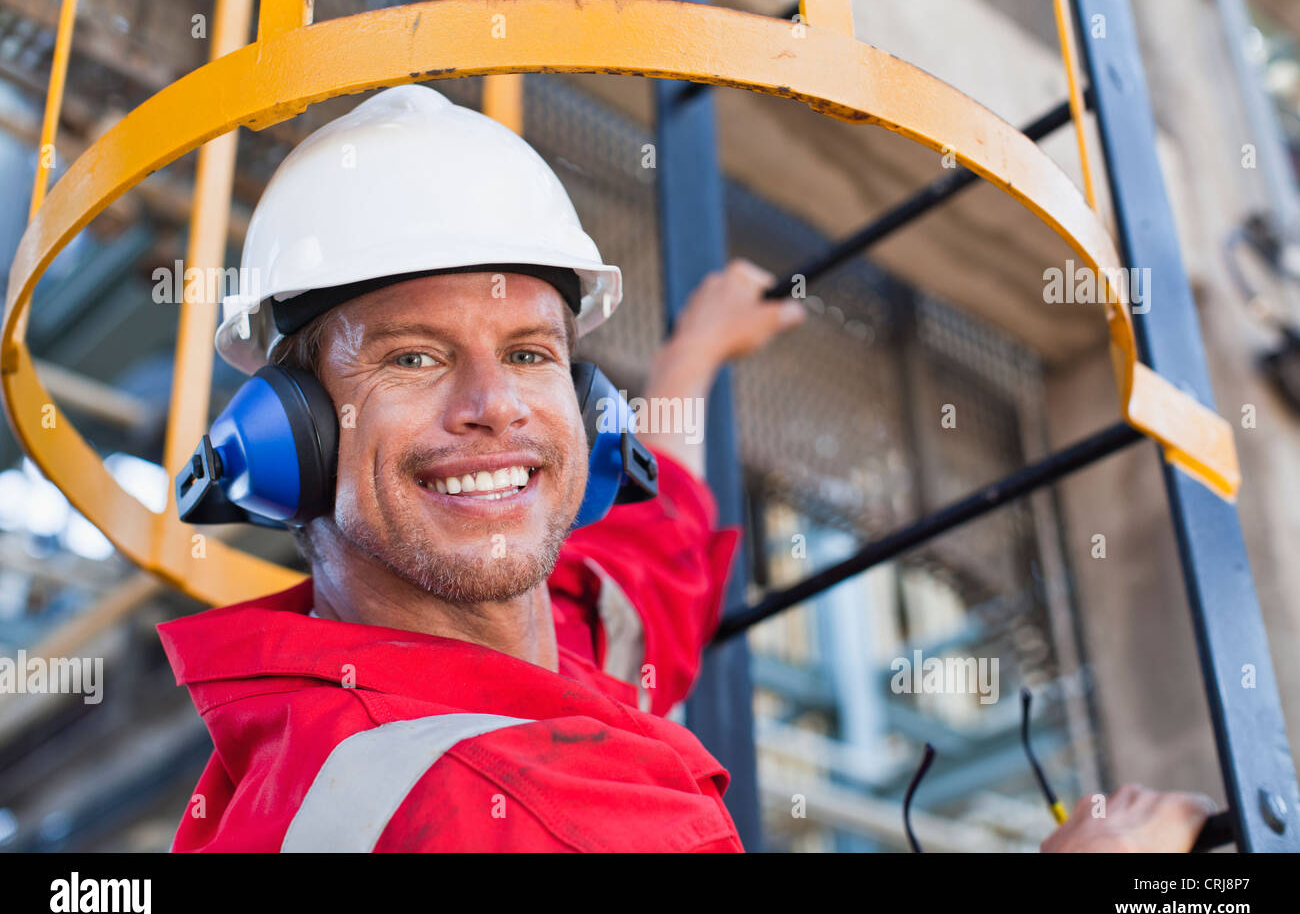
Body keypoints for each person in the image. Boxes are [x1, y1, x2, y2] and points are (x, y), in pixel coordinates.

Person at [158, 84, 1217, 852]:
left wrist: (696, 355)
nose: (494, 407)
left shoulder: (440, 689)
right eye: (413, 357)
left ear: (589, 413)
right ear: (286, 439)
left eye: (530, 353)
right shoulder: (517, 809)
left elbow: (638, 571)